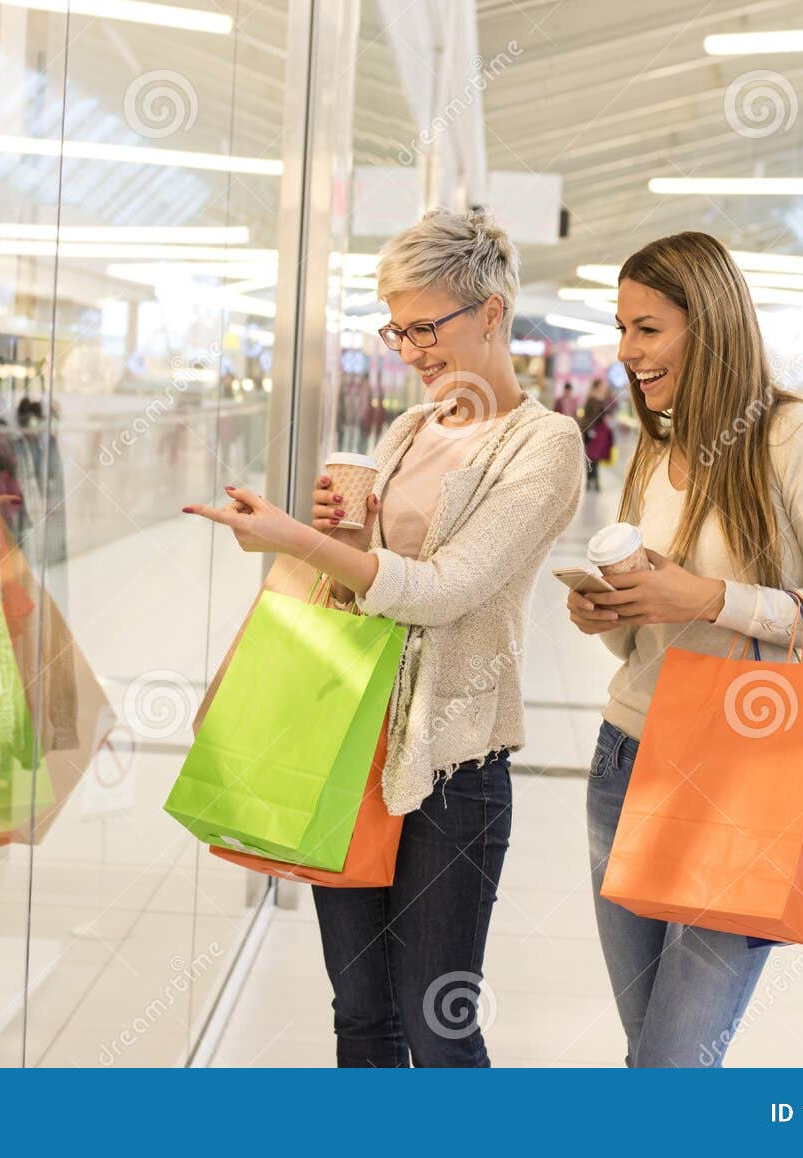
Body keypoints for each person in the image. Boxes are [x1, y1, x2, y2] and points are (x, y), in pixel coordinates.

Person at [184, 207, 583, 1066]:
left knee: (436, 1024)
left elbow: (444, 593)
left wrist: (299, 538)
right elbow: (374, 587)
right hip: (354, 739)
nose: (411, 352)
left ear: (491, 310)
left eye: (426, 327)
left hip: (450, 763)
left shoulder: (545, 445)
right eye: (397, 330)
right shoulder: (409, 429)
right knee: (361, 1011)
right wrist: (347, 539)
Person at [565, 231, 803, 1067]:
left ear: (707, 324)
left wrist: (705, 597)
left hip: (747, 764)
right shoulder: (655, 446)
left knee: (672, 1065)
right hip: (625, 758)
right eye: (622, 328)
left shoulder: (793, 436)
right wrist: (616, 611)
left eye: (647, 328)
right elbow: (648, 636)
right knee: (648, 1059)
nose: (626, 352)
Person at [580, 378, 614, 491]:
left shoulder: (601, 399)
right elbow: (588, 417)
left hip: (598, 433)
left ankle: (595, 481)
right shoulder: (591, 399)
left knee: (596, 457)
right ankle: (590, 481)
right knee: (590, 458)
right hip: (590, 432)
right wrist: (589, 430)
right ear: (597, 387)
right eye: (602, 386)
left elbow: (604, 414)